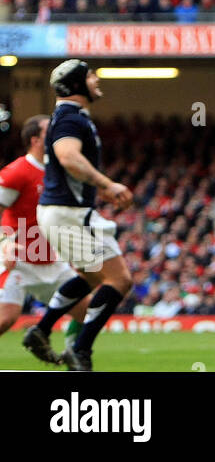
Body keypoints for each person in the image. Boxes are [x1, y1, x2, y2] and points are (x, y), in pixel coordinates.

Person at [26, 60, 134, 371]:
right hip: (68, 214)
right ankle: (80, 349)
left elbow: (68, 166)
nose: (96, 79)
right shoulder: (71, 118)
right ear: (76, 85)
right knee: (119, 279)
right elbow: (68, 157)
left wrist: (98, 189)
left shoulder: (68, 117)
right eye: (89, 75)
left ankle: (41, 329)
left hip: (63, 212)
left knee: (89, 276)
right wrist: (106, 183)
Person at [0, 114, 89, 361]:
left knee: (86, 309)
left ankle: (75, 356)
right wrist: (3, 242)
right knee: (6, 318)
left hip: (52, 258)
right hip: (19, 257)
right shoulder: (17, 171)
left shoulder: (58, 169)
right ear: (35, 139)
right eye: (50, 129)